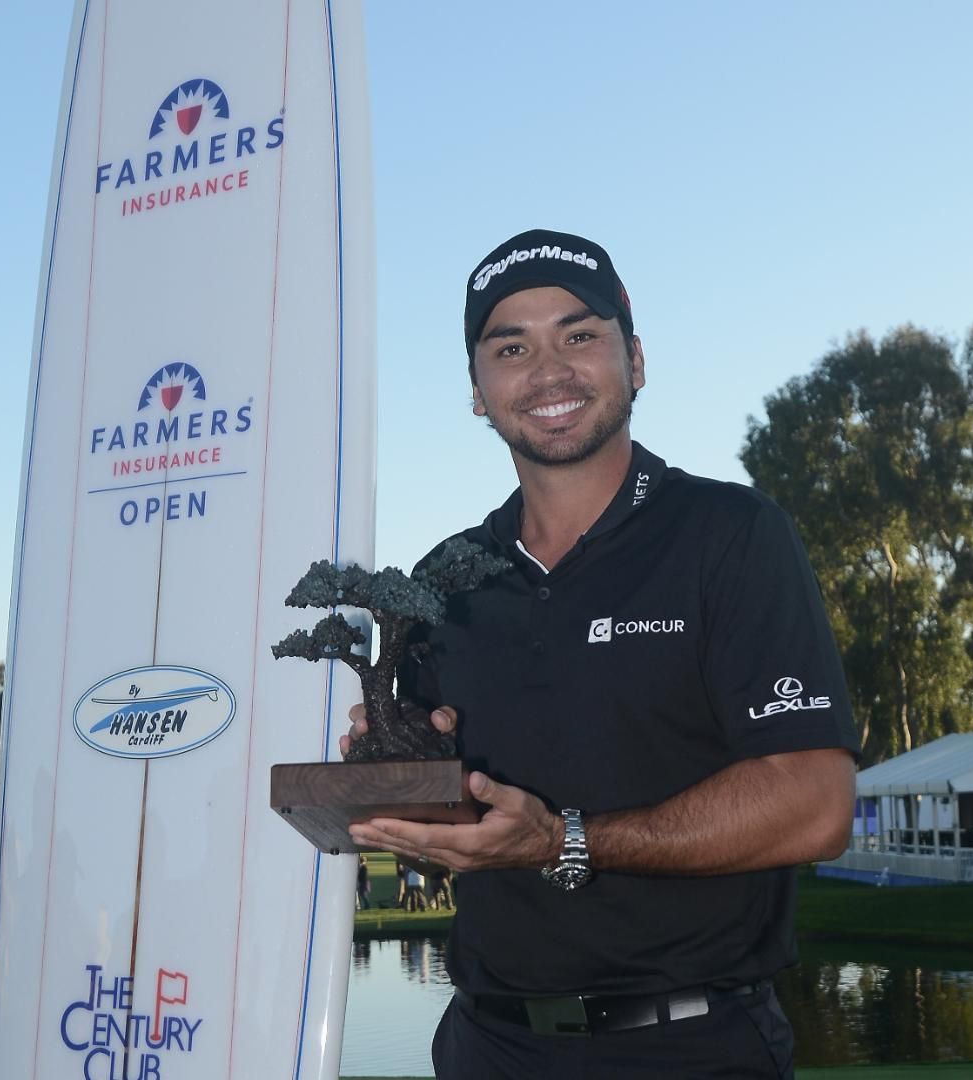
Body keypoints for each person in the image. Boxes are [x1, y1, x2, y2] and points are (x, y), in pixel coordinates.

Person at [341, 229, 860, 1077]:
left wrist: (563, 840)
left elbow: (815, 805)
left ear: (636, 360)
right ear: (478, 390)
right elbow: (457, 827)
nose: (548, 371)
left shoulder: (728, 535)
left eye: (579, 335)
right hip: (486, 1045)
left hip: (691, 1047)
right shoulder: (445, 581)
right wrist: (401, 778)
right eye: (511, 347)